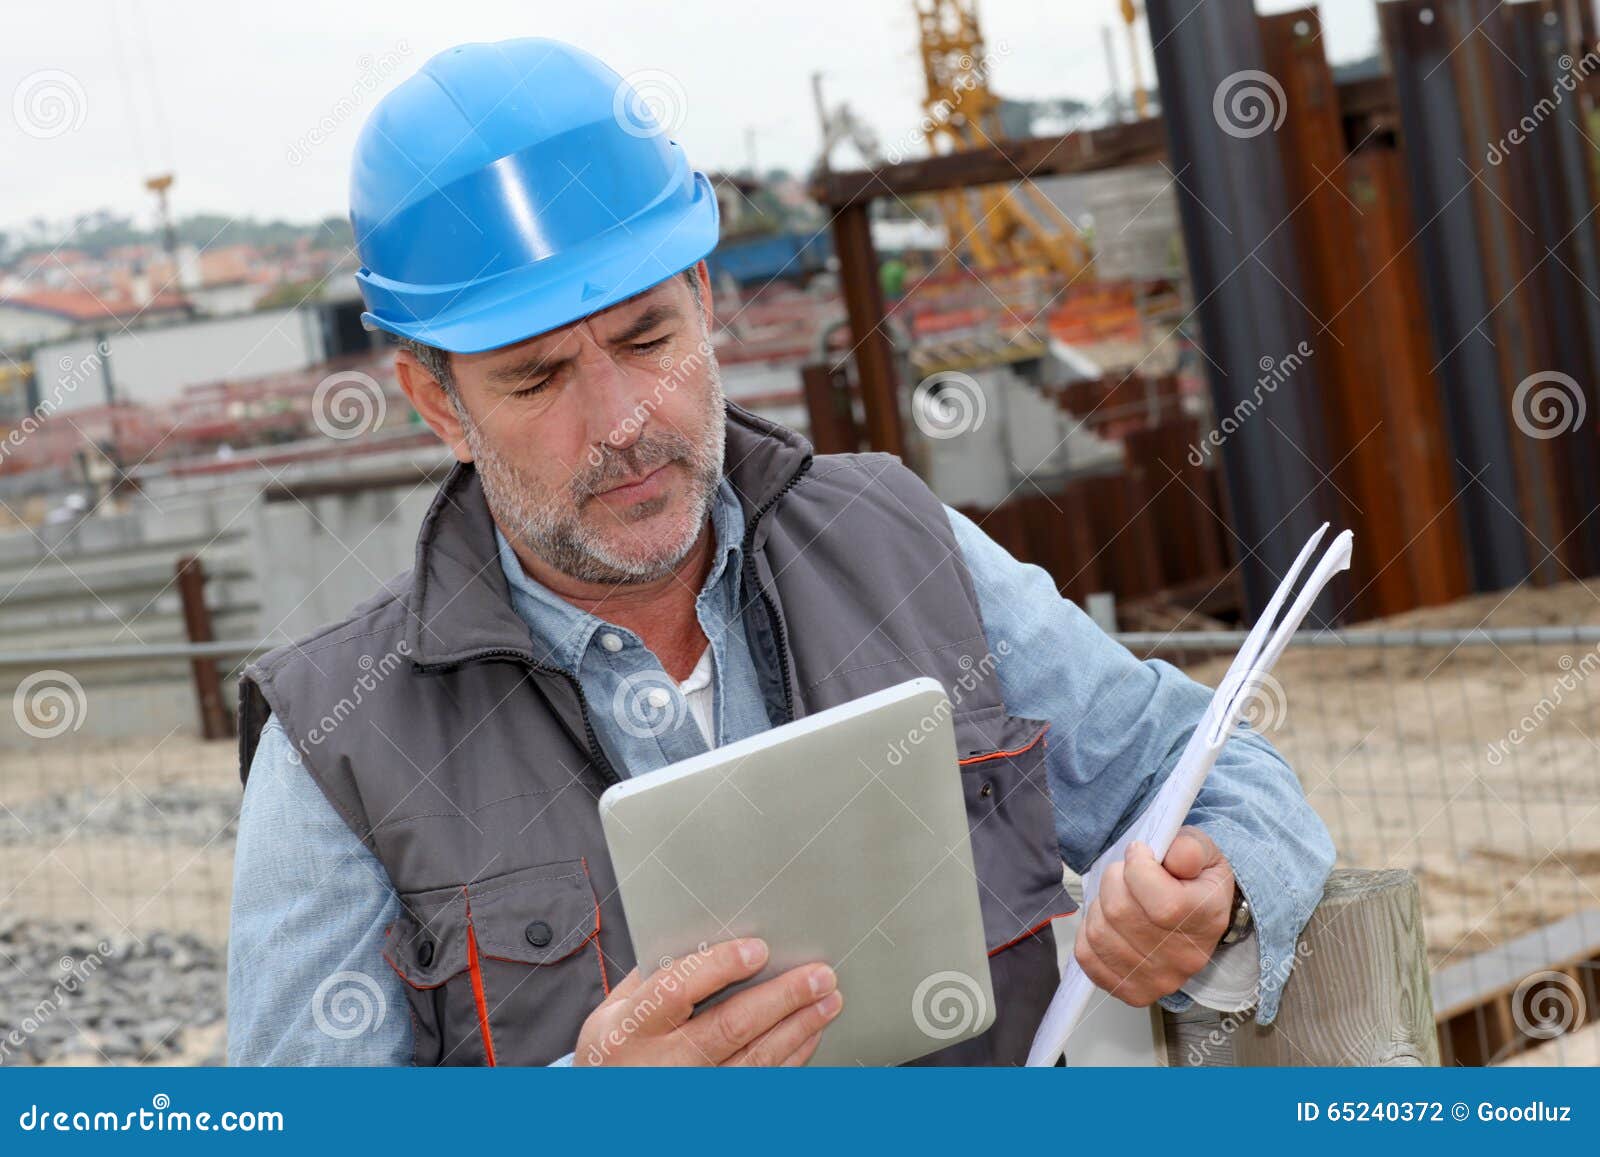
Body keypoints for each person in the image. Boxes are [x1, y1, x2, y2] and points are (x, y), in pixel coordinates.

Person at [228, 38, 1333, 1067]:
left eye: (647, 338)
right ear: (438, 403)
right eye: (538, 378)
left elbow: (1211, 767)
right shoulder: (337, 744)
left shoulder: (900, 546)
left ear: (704, 301)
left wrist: (1218, 890)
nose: (622, 421)